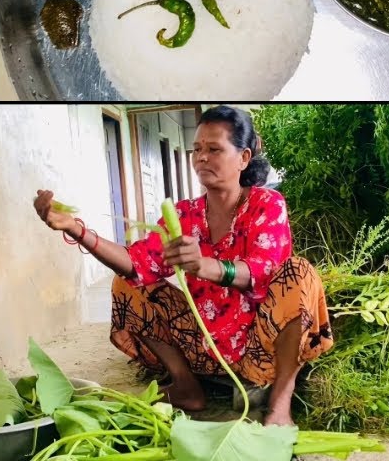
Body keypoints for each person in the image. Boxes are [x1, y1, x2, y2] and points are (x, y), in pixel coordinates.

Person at [33, 105, 334, 427]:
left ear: (244, 158)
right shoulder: (183, 214)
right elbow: (137, 263)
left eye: (214, 149)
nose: (201, 157)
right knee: (127, 283)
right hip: (201, 346)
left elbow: (263, 269)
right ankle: (186, 384)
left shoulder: (266, 204)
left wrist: (207, 266)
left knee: (300, 272)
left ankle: (279, 404)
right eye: (197, 149)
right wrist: (76, 230)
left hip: (258, 347)